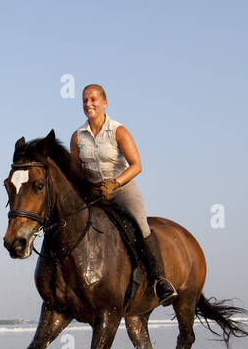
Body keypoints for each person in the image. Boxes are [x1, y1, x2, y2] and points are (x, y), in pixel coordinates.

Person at [69, 83, 177, 305]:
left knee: (140, 224)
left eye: (93, 100)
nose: (89, 104)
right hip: (94, 192)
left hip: (121, 188)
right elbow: (76, 170)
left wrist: (115, 182)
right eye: (85, 101)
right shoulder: (78, 136)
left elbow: (137, 165)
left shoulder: (118, 131)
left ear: (104, 103)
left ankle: (160, 280)